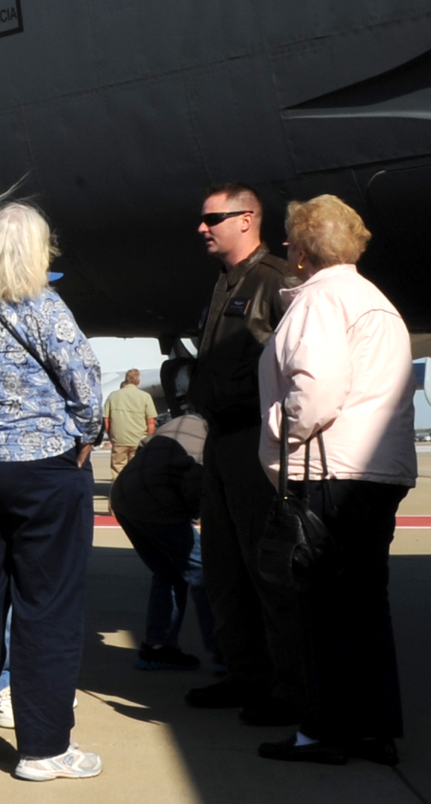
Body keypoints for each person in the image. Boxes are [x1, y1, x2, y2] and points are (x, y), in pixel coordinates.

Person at [0, 199, 104, 781]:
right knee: (47, 606)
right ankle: (43, 747)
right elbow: (83, 377)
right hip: (42, 466)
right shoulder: (43, 306)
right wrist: (85, 432)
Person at [255, 195, 417, 766]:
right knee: (365, 606)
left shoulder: (320, 302)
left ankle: (324, 730)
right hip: (377, 470)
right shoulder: (375, 301)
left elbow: (316, 391)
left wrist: (277, 430)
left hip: (330, 472)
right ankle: (375, 729)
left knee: (321, 609)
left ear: (299, 252)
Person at [185, 182, 304, 726]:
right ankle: (245, 674)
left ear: (247, 218)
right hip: (221, 440)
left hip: (256, 440)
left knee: (267, 569)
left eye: (214, 218)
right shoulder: (225, 281)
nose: (202, 228)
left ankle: (286, 687)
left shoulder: (276, 280)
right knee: (224, 569)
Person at [109, 412, 218, 671]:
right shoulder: (208, 439)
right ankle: (225, 653)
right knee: (204, 572)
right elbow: (196, 483)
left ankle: (157, 647)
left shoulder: (181, 422)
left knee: (167, 573)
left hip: (125, 498)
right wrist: (199, 513)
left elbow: (144, 444)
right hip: (158, 505)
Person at [104, 368, 158, 474]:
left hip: (119, 439)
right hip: (138, 440)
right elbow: (151, 422)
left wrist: (111, 436)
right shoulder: (145, 397)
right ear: (138, 381)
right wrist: (148, 440)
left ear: (126, 380)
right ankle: (134, 489)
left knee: (118, 469)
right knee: (137, 469)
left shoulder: (113, 396)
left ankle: (118, 489)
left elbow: (106, 419)